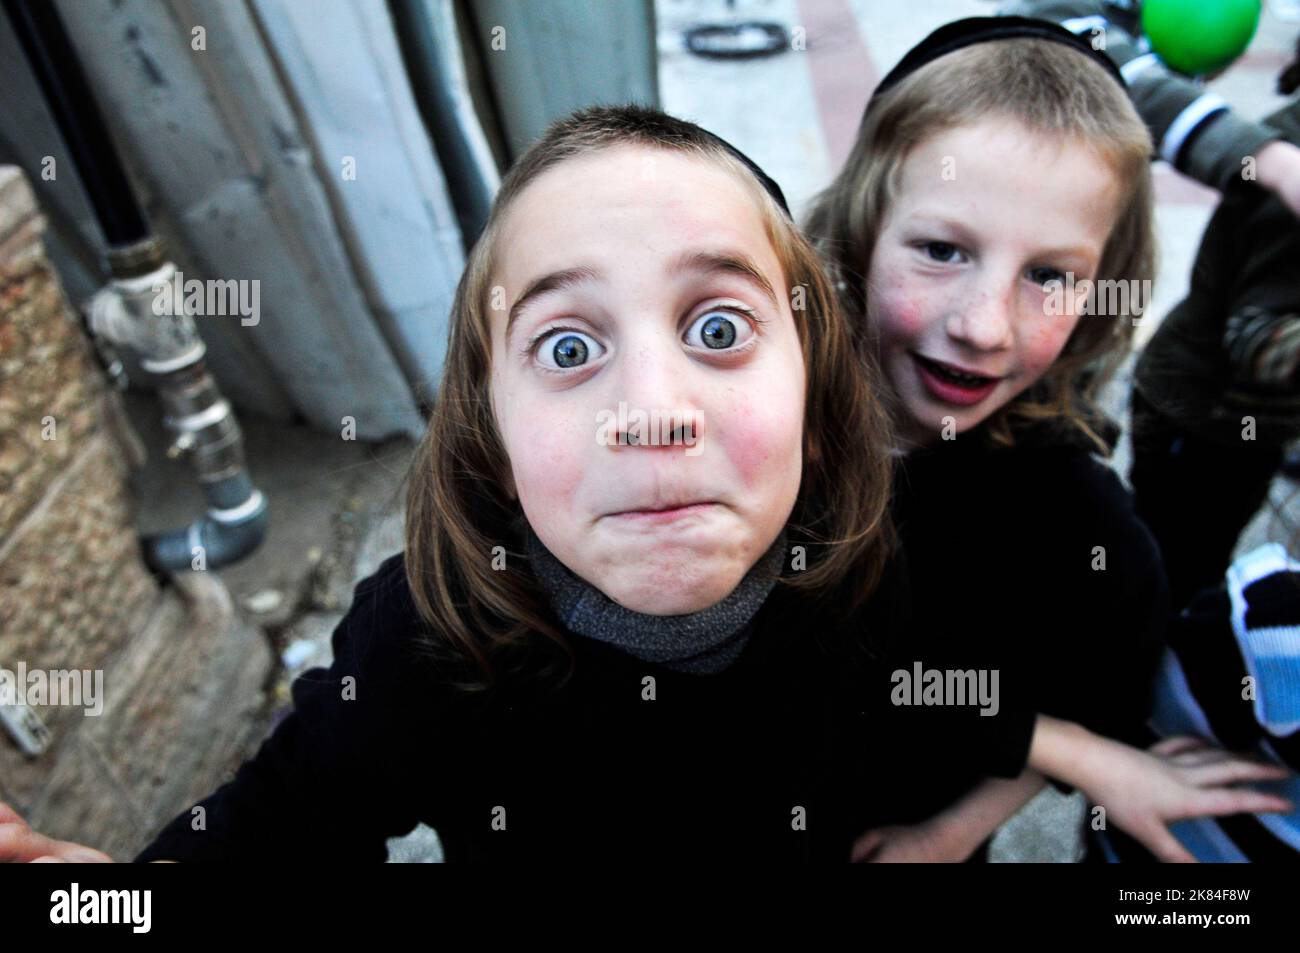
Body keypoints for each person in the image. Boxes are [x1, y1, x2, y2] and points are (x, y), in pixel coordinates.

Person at [0, 104, 1032, 864]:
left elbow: (915, 730)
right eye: (568, 345)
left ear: (813, 389)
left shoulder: (870, 566)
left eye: (718, 327)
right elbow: (284, 821)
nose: (652, 411)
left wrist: (956, 827)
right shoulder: (423, 638)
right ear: (489, 431)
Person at [805, 17, 1292, 861]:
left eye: (1049, 276)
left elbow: (1094, 681)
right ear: (861, 228)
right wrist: (1066, 752)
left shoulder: (1079, 522)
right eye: (942, 249)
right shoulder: (762, 420)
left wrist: (946, 836)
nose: (986, 326)